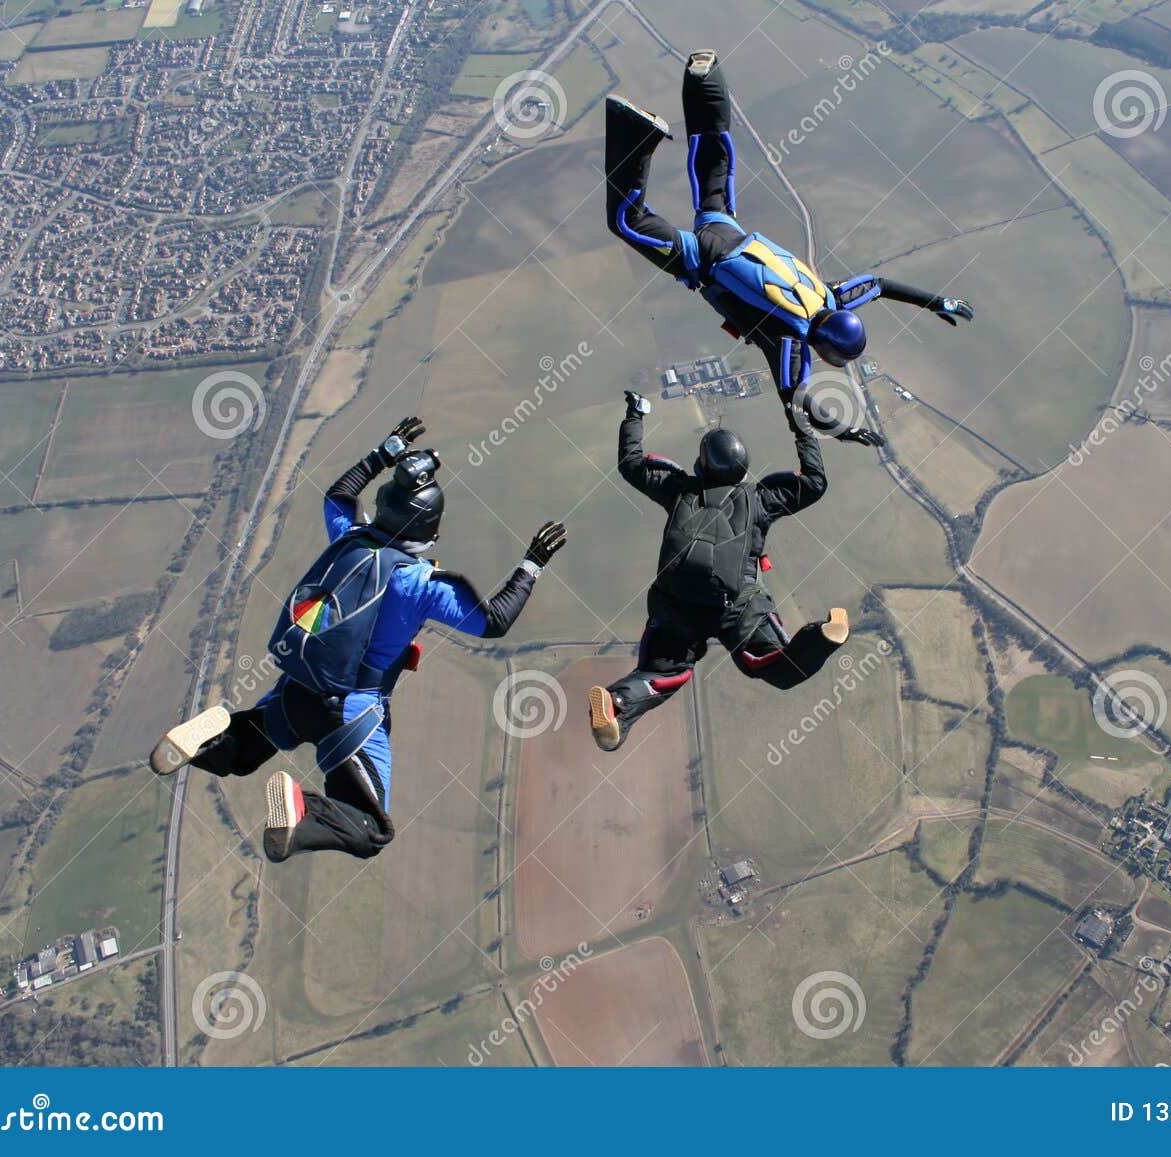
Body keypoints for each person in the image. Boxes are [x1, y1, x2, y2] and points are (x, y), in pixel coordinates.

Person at [150, 418, 568, 862]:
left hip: (295, 691)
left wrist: (382, 454)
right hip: (349, 712)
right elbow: (493, 621)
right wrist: (532, 565)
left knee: (245, 751)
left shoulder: (349, 539)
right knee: (369, 830)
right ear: (430, 530)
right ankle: (302, 816)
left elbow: (338, 495)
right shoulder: (420, 584)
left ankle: (205, 744)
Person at [604, 50, 974, 447]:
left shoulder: (831, 297)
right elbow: (797, 399)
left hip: (730, 231)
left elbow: (882, 286)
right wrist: (844, 431)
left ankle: (705, 80)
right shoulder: (790, 341)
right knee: (627, 221)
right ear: (827, 347)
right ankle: (634, 133)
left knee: (714, 167)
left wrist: (938, 301)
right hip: (702, 259)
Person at [587, 390, 849, 752]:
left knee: (662, 672)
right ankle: (819, 636)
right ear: (744, 467)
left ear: (701, 464)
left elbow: (631, 463)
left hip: (677, 607)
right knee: (771, 666)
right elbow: (815, 483)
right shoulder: (759, 499)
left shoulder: (678, 489)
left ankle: (617, 707)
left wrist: (635, 413)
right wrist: (801, 428)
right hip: (737, 607)